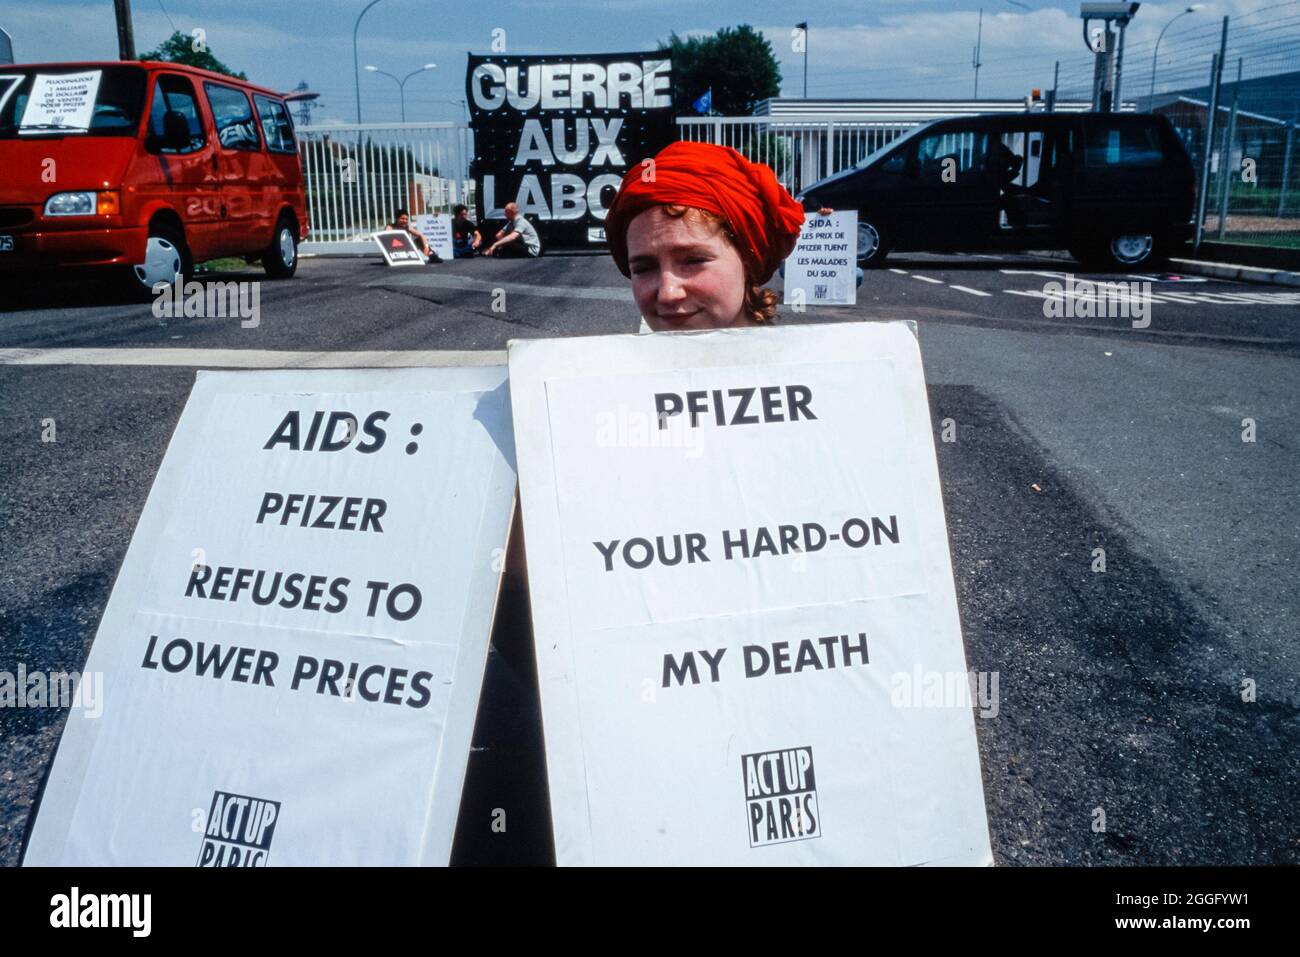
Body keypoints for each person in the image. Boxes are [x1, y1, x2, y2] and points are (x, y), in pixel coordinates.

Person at [603, 141, 831, 331]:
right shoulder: (612, 379)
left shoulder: (816, 373)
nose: (668, 294)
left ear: (747, 261)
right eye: (643, 268)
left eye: (693, 260)